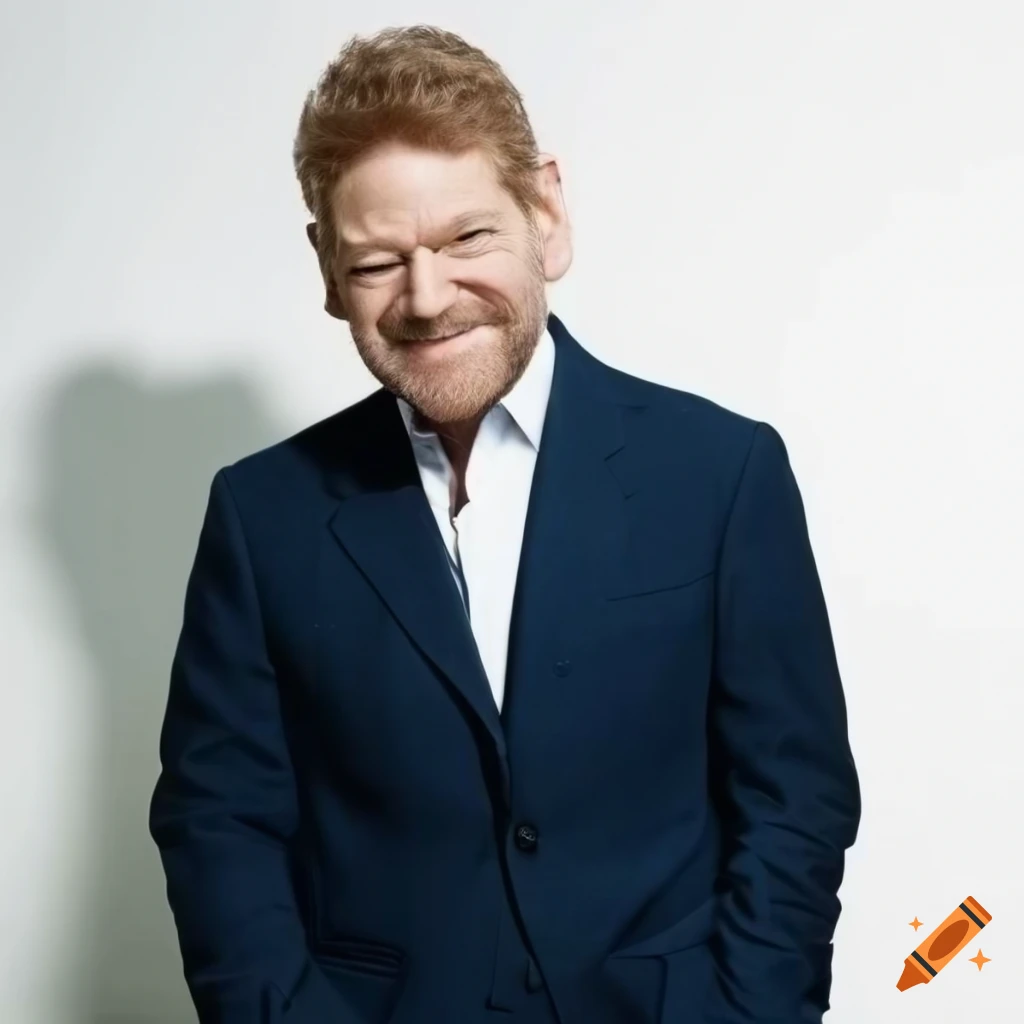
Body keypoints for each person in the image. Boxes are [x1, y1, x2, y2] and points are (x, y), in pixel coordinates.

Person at [149, 24, 860, 1024]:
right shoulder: (262, 513)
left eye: (465, 238)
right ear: (324, 268)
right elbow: (218, 821)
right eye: (376, 263)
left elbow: (797, 797)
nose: (426, 298)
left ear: (547, 213)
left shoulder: (722, 473)